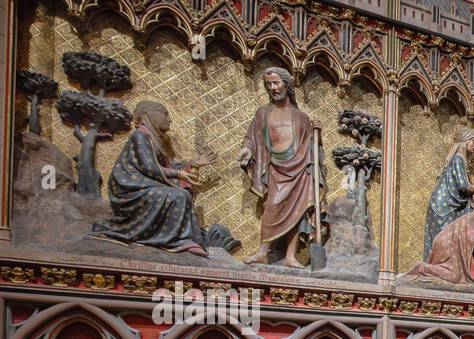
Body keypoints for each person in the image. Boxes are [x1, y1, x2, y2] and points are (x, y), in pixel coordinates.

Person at [91, 101, 213, 256]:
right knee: (179, 196)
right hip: (130, 188)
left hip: (147, 186)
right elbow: (149, 167)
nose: (169, 119)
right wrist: (178, 174)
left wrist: (192, 165)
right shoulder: (140, 135)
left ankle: (184, 239)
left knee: (182, 195)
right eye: (165, 114)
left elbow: (166, 167)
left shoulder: (154, 140)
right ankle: (175, 240)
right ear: (151, 115)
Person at [238, 67, 322, 267]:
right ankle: (262, 252)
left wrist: (317, 135)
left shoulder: (301, 117)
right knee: (273, 205)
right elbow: (253, 137)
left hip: (300, 167)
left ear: (287, 84)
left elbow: (310, 146)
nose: (272, 88)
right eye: (268, 85)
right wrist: (247, 150)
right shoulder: (263, 113)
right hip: (275, 166)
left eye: (276, 83)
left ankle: (291, 256)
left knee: (297, 210)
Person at [423, 127, 474, 267]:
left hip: (444, 205)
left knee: (443, 241)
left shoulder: (459, 160)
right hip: (444, 207)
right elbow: (463, 186)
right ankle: (438, 271)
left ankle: (439, 270)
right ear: (464, 141)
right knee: (445, 241)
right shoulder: (458, 158)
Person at [407, 200, 474, 285]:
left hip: (447, 246)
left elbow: (470, 243)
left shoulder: (472, 221)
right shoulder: (471, 220)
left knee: (457, 276)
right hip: (446, 246)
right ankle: (421, 267)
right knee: (455, 276)